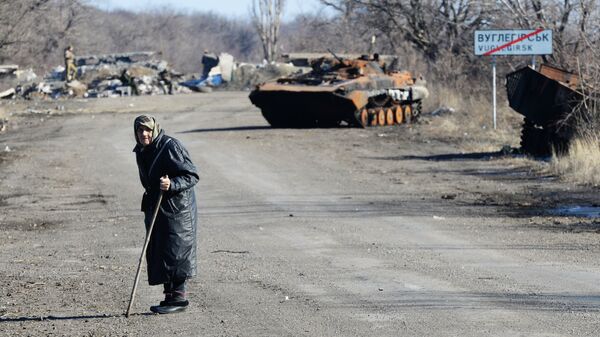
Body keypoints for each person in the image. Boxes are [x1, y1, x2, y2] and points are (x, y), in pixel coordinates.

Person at [133, 115, 199, 314]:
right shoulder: (142, 150)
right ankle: (169, 296)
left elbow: (191, 174)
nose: (144, 134)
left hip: (178, 209)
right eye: (140, 130)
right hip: (159, 207)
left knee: (176, 250)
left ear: (155, 129)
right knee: (162, 250)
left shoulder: (170, 146)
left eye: (147, 130)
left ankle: (178, 298)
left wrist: (172, 184)